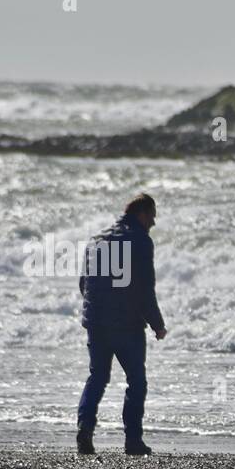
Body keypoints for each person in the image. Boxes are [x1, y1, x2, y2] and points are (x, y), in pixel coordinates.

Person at [76, 193, 168, 455]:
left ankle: (85, 429)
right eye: (152, 215)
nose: (154, 221)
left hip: (97, 322)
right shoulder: (140, 241)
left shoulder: (97, 240)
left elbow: (84, 285)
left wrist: (99, 313)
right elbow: (144, 289)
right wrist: (157, 324)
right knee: (137, 381)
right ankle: (133, 441)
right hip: (126, 325)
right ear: (141, 213)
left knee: (97, 377)